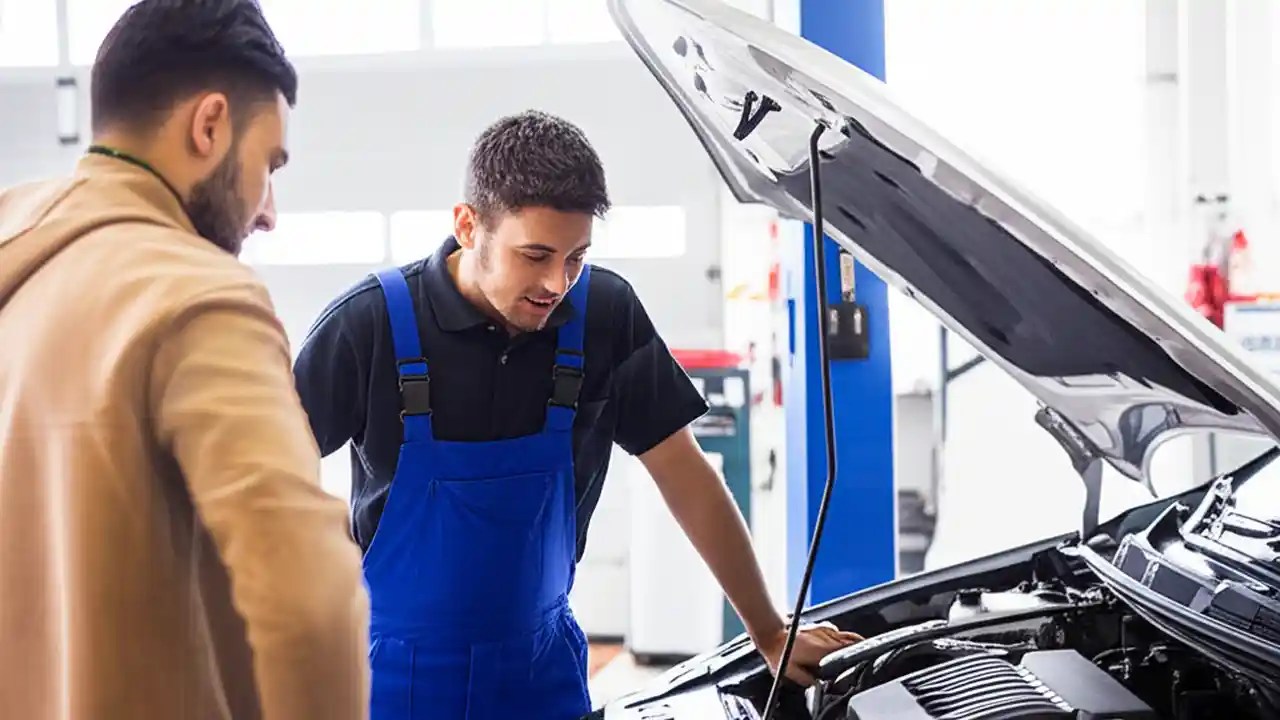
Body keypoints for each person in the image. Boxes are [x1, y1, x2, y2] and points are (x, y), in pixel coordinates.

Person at [293, 109, 862, 719]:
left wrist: (769, 631)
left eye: (575, 257)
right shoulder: (367, 327)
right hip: (392, 681)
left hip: (540, 678)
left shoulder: (604, 317)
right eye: (534, 254)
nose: (556, 282)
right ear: (467, 225)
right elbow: (261, 490)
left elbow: (685, 473)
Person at [0, 2, 370, 718]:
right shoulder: (198, 296)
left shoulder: (20, 265)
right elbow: (311, 604)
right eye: (269, 163)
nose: (268, 211)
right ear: (210, 124)